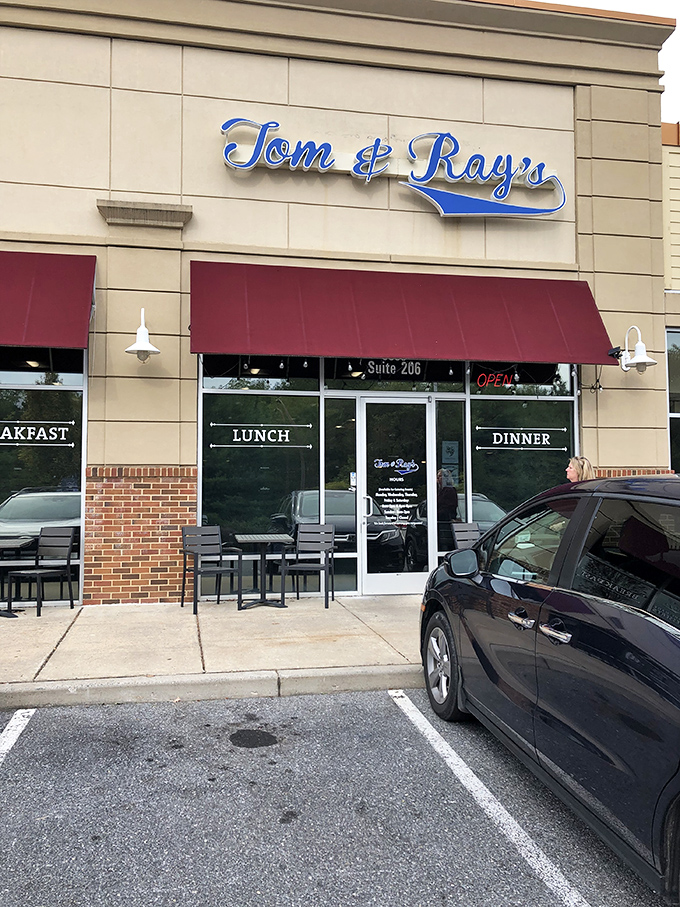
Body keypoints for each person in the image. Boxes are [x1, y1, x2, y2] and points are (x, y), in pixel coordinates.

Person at [437, 468, 459, 550]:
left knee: (445, 545)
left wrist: (438, 513)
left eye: (439, 477)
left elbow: (449, 507)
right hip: (442, 521)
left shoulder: (449, 490)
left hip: (446, 522)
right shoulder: (441, 490)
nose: (437, 479)